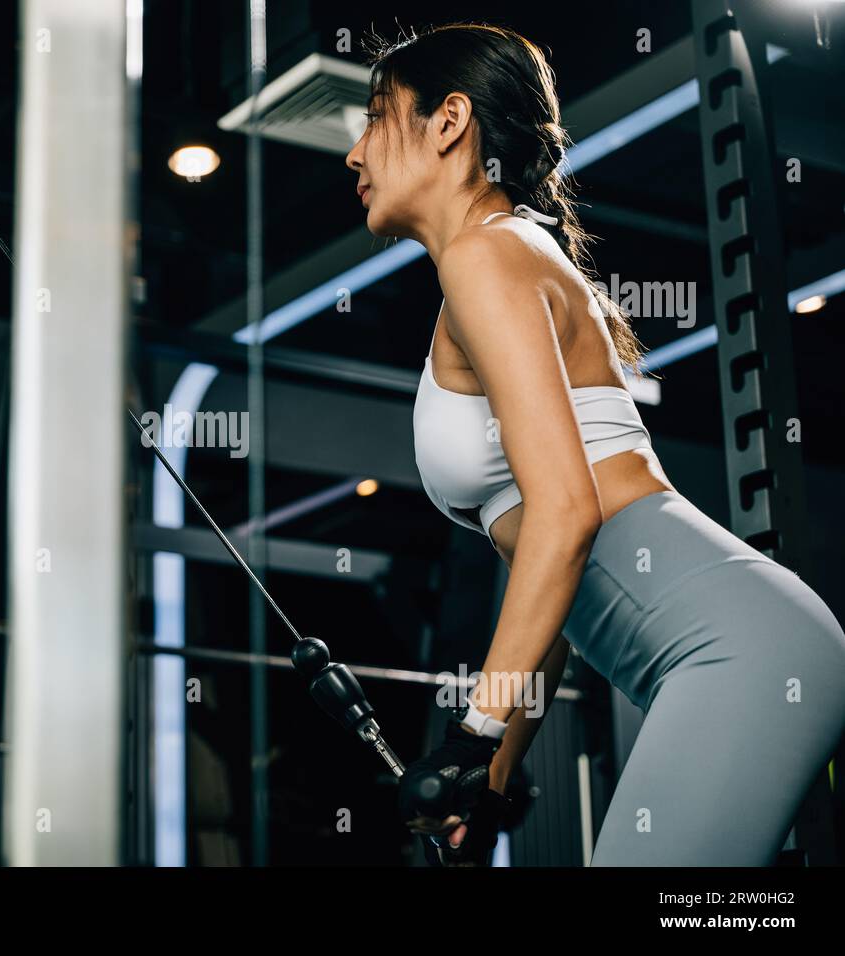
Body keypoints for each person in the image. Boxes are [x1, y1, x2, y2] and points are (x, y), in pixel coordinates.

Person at [344, 22, 845, 866]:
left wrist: (472, 733)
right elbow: (558, 593)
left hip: (740, 649)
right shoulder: (500, 260)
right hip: (749, 646)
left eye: (374, 115)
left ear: (448, 121)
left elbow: (570, 514)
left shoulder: (485, 257)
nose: (353, 154)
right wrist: (494, 777)